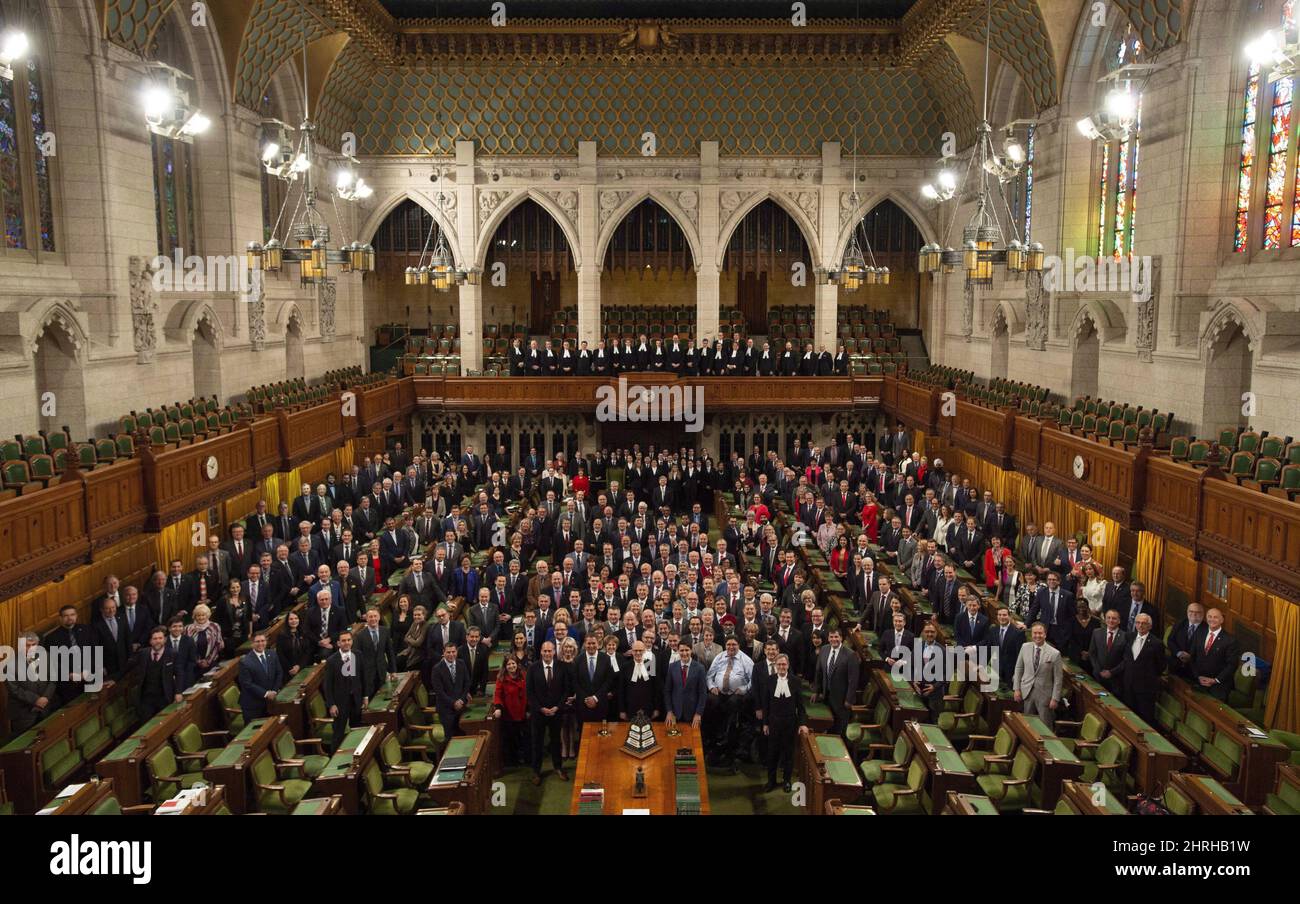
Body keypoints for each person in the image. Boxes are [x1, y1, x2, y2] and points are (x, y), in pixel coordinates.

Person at [760, 653, 808, 792]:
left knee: (788, 753)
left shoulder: (795, 681)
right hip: (773, 722)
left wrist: (802, 723)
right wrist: (765, 723)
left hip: (790, 723)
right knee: (772, 753)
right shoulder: (769, 680)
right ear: (775, 666)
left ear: (788, 665)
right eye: (779, 664)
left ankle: (787, 781)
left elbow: (801, 706)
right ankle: (771, 781)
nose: (781, 667)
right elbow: (766, 704)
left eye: (784, 664)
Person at [526, 641, 571, 785]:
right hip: (539, 713)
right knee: (537, 743)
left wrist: (557, 707)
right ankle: (536, 771)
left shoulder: (562, 667)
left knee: (556, 741)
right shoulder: (533, 668)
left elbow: (566, 691)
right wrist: (540, 708)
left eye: (549, 651)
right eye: (544, 651)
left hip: (556, 713)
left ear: (554, 652)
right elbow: (530, 692)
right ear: (541, 652)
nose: (547, 653)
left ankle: (558, 767)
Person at [1112, 612, 1165, 722]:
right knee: (1128, 717)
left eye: (1144, 623)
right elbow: (1125, 658)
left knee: (1144, 719)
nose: (1140, 625)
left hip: (1146, 689)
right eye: (1138, 623)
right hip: (1128, 685)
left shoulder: (1157, 643)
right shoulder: (1129, 637)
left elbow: (1161, 666)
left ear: (1150, 626)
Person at [1013, 622, 1063, 729]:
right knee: (1027, 725)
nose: (1037, 636)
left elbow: (1058, 679)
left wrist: (1055, 698)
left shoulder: (1055, 653)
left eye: (1040, 633)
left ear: (1045, 634)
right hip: (1027, 692)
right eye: (1035, 633)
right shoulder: (1024, 647)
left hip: (1045, 696)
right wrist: (1016, 689)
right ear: (1031, 634)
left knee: (1046, 727)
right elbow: (1018, 669)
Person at [322, 630, 365, 751]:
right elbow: (328, 685)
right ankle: (333, 762)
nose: (346, 643)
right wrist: (331, 704)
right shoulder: (331, 660)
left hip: (356, 699)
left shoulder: (358, 654)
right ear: (338, 643)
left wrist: (365, 696)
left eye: (349, 640)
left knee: (357, 731)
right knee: (339, 733)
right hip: (340, 703)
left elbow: (362, 677)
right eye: (343, 641)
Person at [813, 628, 859, 738]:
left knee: (839, 730)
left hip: (841, 700)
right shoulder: (824, 650)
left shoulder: (850, 655)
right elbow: (819, 673)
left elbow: (853, 680)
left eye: (836, 637)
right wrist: (816, 691)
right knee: (826, 726)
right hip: (826, 696)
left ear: (841, 638)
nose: (834, 639)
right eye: (831, 637)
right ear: (828, 638)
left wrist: (849, 700)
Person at [1190, 608, 1238, 701]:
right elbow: (1192, 657)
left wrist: (1215, 680)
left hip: (1219, 685)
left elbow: (1232, 665)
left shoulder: (1230, 640)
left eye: (1215, 617)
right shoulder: (1199, 632)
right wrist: (1197, 676)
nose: (1212, 619)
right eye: (1209, 617)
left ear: (1222, 620)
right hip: (1198, 680)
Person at [491, 656, 530, 767]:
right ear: (505, 666)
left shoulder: (524, 675)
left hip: (523, 713)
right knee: (511, 739)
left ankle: (526, 758)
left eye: (513, 663)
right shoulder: (501, 678)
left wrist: (529, 709)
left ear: (517, 664)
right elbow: (497, 695)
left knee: (525, 738)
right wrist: (498, 708)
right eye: (508, 664)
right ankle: (513, 760)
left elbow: (529, 693)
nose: (511, 666)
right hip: (509, 715)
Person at [237, 631, 284, 721]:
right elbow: (247, 683)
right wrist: (266, 694)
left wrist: (274, 690)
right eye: (257, 641)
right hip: (253, 705)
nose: (260, 644)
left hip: (270, 702)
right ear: (252, 643)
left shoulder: (272, 654)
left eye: (263, 641)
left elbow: (279, 672)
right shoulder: (245, 661)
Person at [430, 641, 472, 737]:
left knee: (463, 734)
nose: (451, 654)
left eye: (453, 652)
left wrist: (461, 699)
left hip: (461, 706)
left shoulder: (461, 663)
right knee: (450, 737)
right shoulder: (437, 669)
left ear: (457, 652)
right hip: (446, 710)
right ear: (443, 652)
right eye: (448, 652)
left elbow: (467, 682)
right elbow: (439, 691)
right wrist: (453, 703)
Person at [663, 640, 707, 730]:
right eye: (682, 650)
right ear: (678, 651)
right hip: (675, 713)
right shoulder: (672, 667)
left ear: (691, 650)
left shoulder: (700, 668)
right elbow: (667, 691)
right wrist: (669, 711)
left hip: (692, 714)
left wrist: (698, 713)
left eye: (687, 650)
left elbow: (702, 693)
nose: (684, 653)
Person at [355, 607, 396, 699]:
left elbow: (390, 652)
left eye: (375, 616)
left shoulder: (385, 631)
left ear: (379, 617)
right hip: (368, 674)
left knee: (383, 697)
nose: (373, 619)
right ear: (366, 618)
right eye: (370, 617)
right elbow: (357, 658)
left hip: (382, 670)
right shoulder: (359, 636)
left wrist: (393, 670)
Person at [1167, 601, 1208, 680]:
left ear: (1203, 614)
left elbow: (1206, 652)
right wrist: (1178, 653)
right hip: (1176, 663)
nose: (1194, 614)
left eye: (1197, 612)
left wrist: (1190, 657)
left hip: (1194, 669)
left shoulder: (1207, 629)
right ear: (1187, 612)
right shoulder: (1180, 623)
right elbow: (1170, 640)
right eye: (1191, 611)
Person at [1086, 608, 1125, 690]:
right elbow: (1092, 653)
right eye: (1108, 617)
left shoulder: (1125, 636)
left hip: (1116, 680)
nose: (1111, 620)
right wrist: (1099, 670)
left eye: (1114, 618)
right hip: (1098, 676)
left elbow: (1125, 660)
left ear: (1119, 621)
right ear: (1105, 619)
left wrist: (1111, 672)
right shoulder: (1097, 632)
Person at [185, 603, 224, 673]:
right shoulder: (188, 628)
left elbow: (218, 644)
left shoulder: (214, 626)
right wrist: (198, 661)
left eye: (203, 615)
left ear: (207, 615)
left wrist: (208, 661)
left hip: (212, 662)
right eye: (198, 615)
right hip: (195, 664)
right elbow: (187, 647)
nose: (201, 617)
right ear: (194, 616)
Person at [276, 610, 314, 678]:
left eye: (296, 618)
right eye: (291, 619)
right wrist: (291, 668)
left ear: (299, 619)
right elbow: (280, 654)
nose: (294, 621)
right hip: (288, 670)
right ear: (287, 621)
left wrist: (299, 666)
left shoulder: (304, 633)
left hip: (303, 667)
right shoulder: (281, 635)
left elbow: (307, 652)